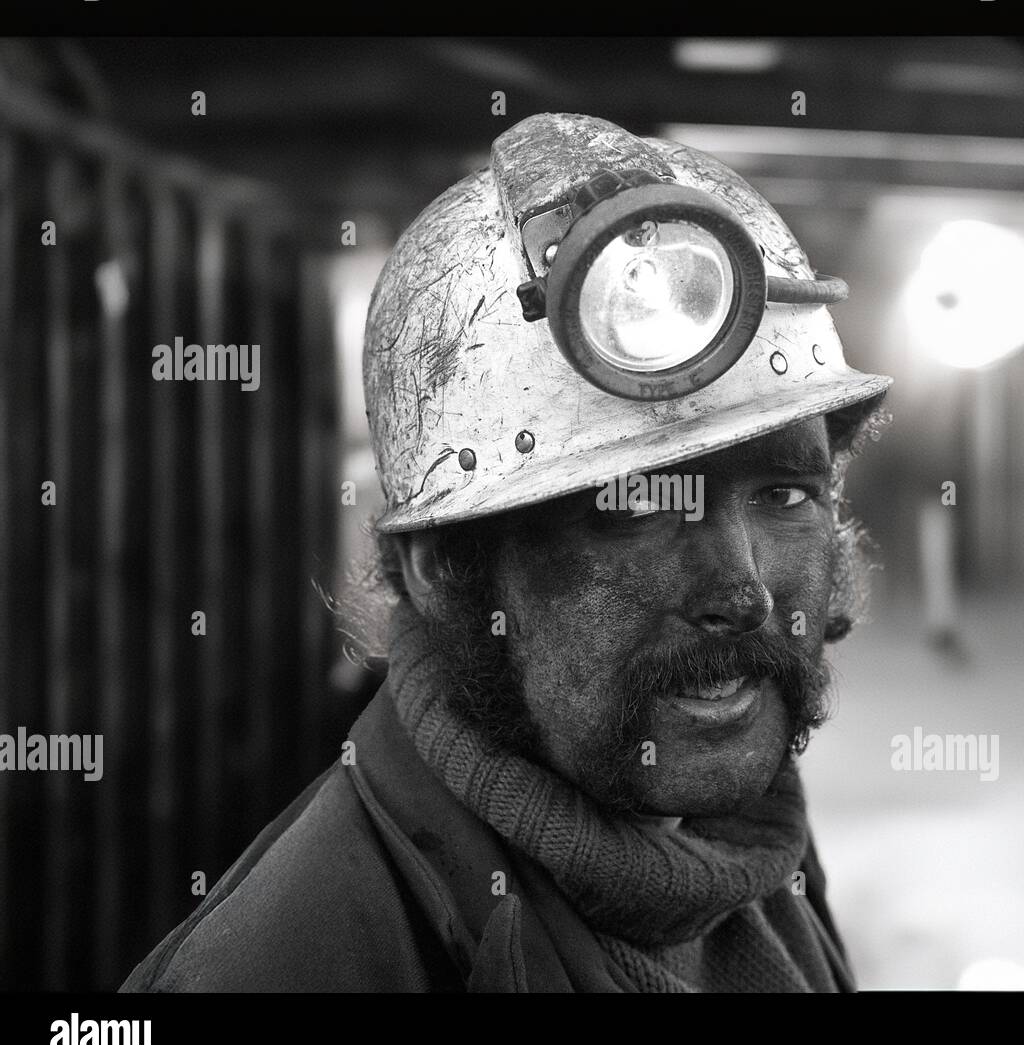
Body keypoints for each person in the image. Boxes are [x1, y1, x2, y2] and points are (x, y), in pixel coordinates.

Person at [121, 112, 891, 993]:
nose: (742, 589)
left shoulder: (749, 839)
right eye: (633, 512)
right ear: (440, 570)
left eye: (785, 496)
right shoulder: (291, 962)